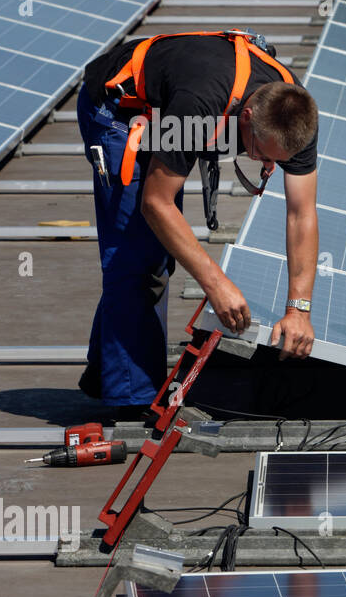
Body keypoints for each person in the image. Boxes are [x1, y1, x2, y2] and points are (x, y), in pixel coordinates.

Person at [77, 30, 320, 421]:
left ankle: (106, 371)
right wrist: (215, 283)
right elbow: (156, 203)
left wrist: (299, 309)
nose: (263, 163)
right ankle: (131, 402)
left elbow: (301, 213)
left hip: (174, 109)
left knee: (153, 253)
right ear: (247, 119)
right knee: (140, 257)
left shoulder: (296, 114)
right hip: (120, 110)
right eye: (258, 152)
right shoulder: (199, 107)